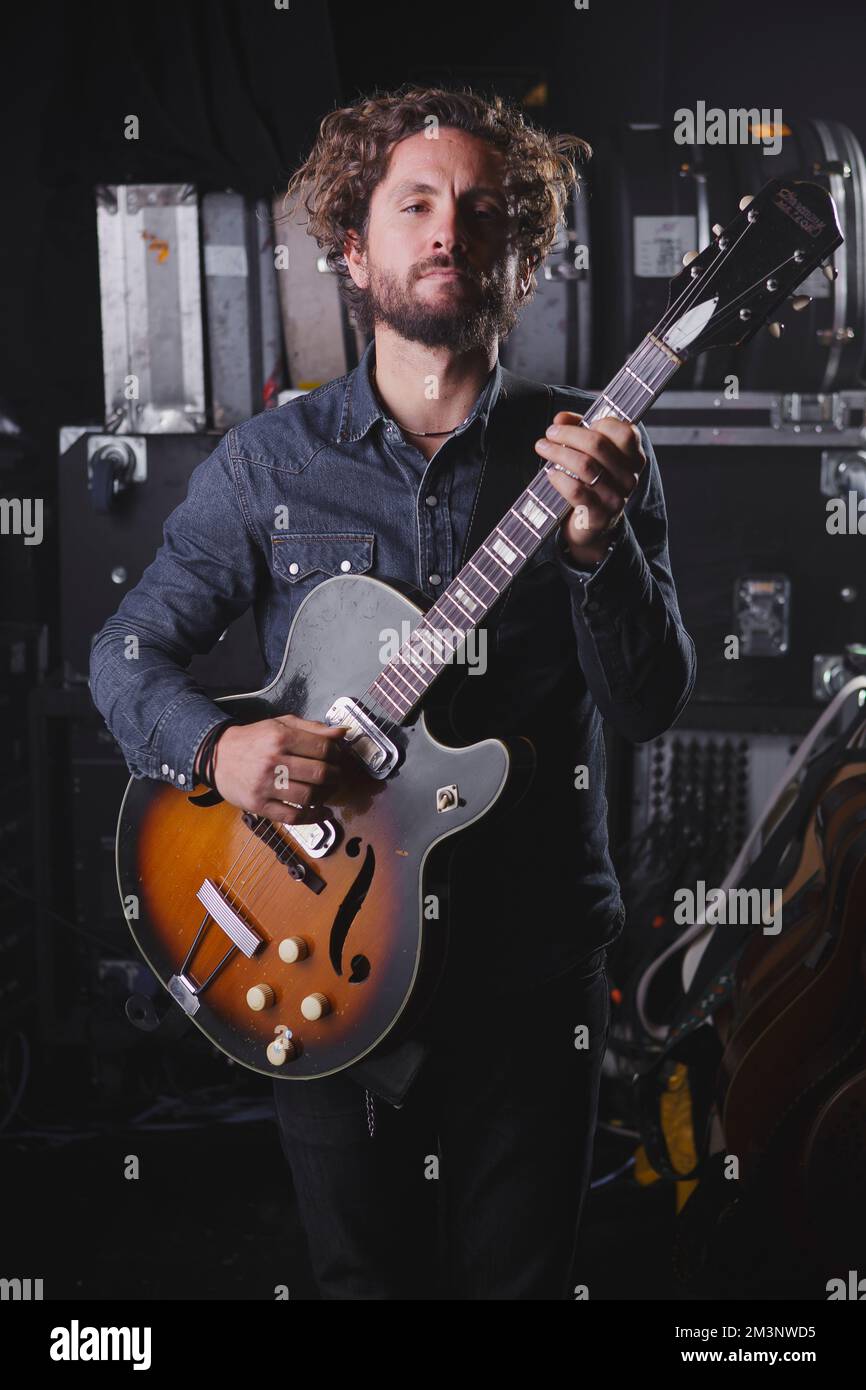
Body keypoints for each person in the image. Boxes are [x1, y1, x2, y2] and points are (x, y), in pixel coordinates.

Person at [89, 85, 696, 1300]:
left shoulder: (588, 449)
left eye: (480, 211)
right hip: (314, 947)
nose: (446, 232)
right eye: (414, 203)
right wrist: (222, 756)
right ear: (352, 250)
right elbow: (125, 656)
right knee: (360, 1283)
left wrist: (595, 547)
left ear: (520, 257)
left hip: (530, 982)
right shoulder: (269, 460)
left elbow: (644, 708)